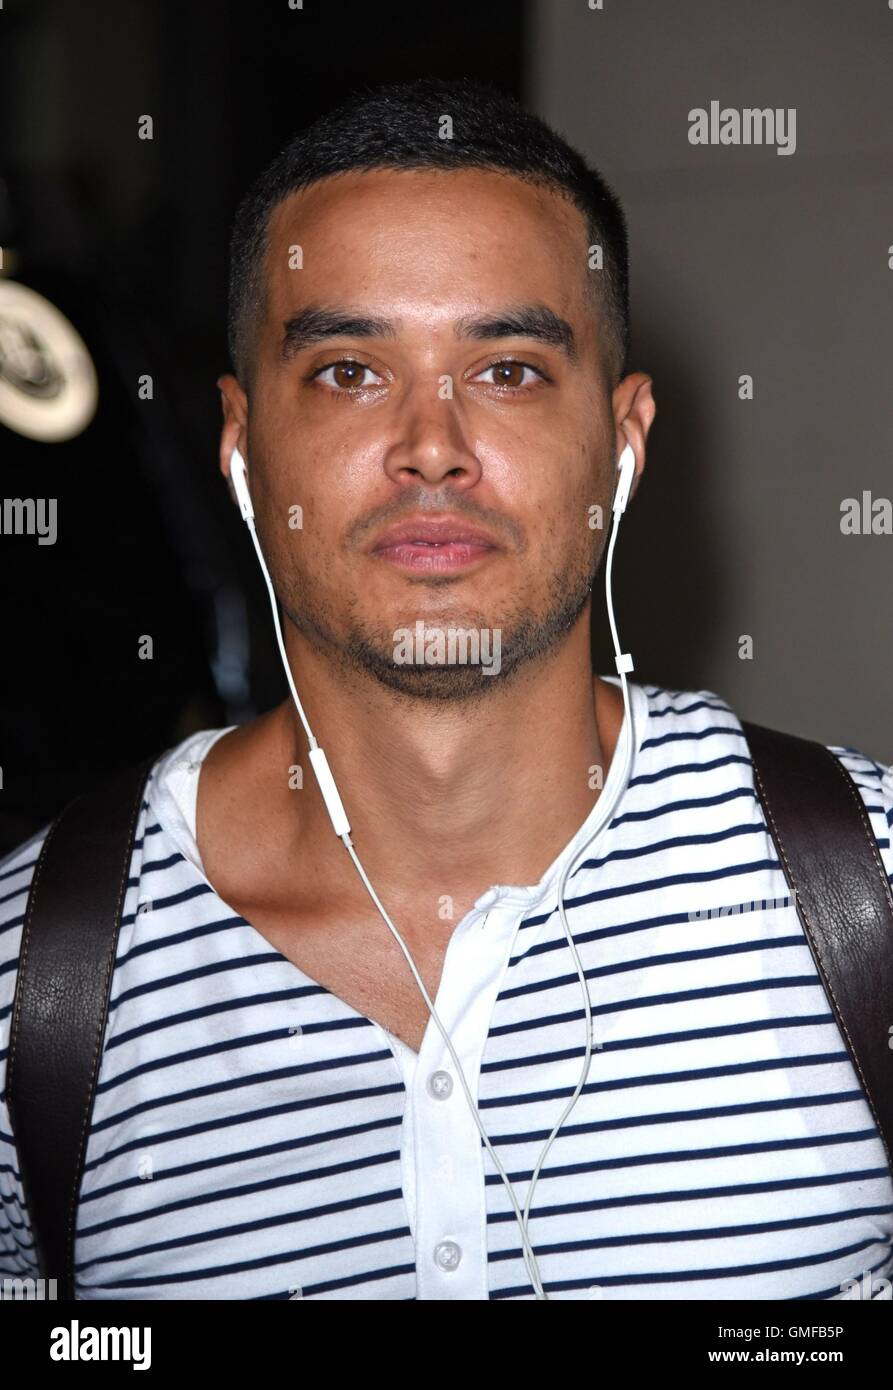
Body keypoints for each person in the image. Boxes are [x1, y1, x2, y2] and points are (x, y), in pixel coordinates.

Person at [1, 76, 891, 1302]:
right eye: (349, 371)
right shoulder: (35, 980)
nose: (432, 443)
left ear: (622, 441)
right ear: (239, 439)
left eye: (511, 369)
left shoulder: (866, 887)